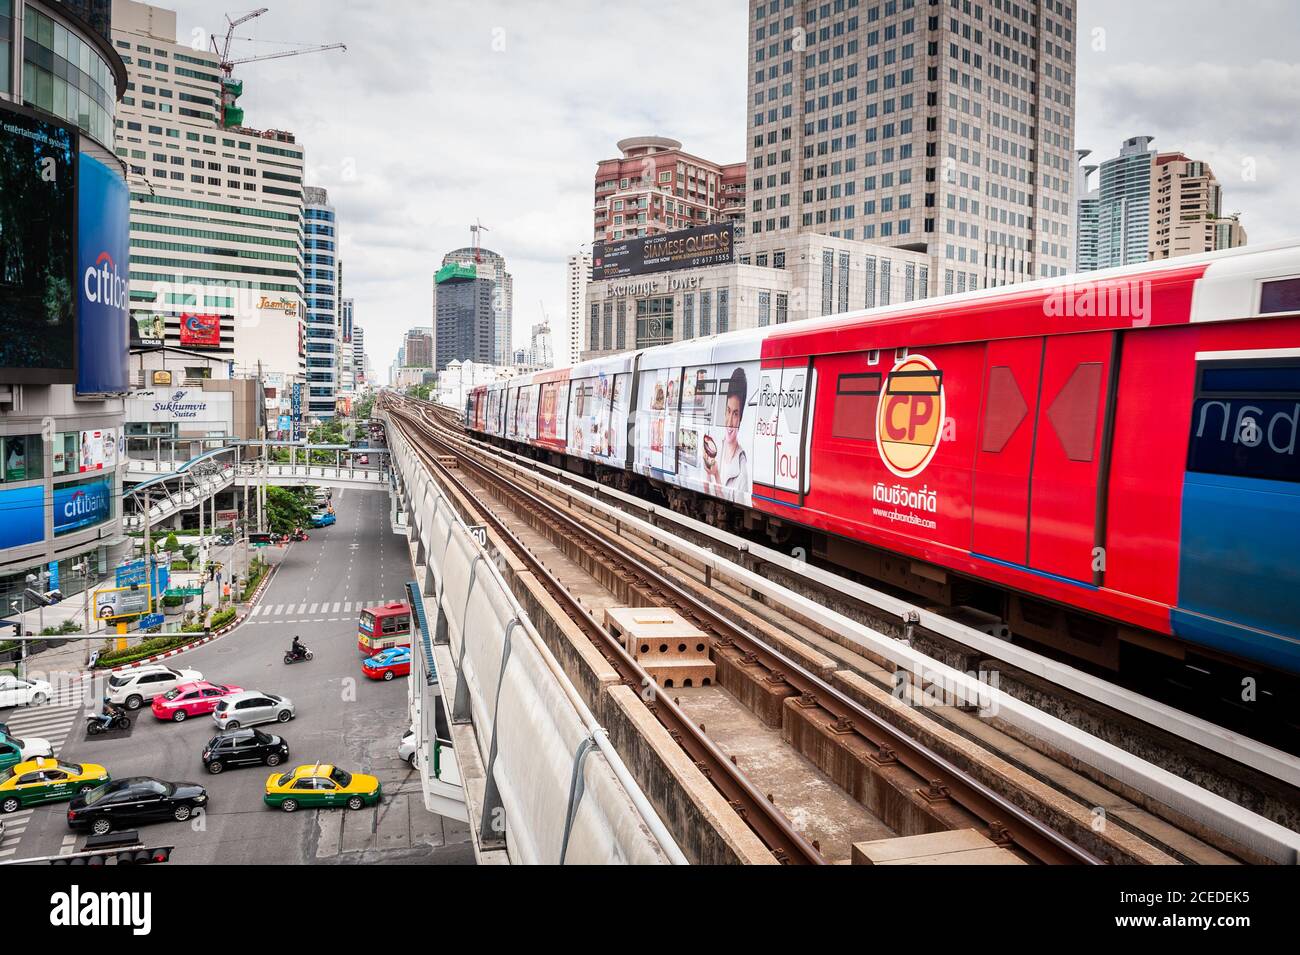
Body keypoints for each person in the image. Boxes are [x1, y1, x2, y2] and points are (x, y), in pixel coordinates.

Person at [704, 367, 751, 502]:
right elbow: (704, 492)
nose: (730, 421)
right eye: (728, 411)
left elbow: (734, 503)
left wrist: (716, 475)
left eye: (735, 414)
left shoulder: (742, 466)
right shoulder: (715, 446)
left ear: (741, 418)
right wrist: (708, 473)